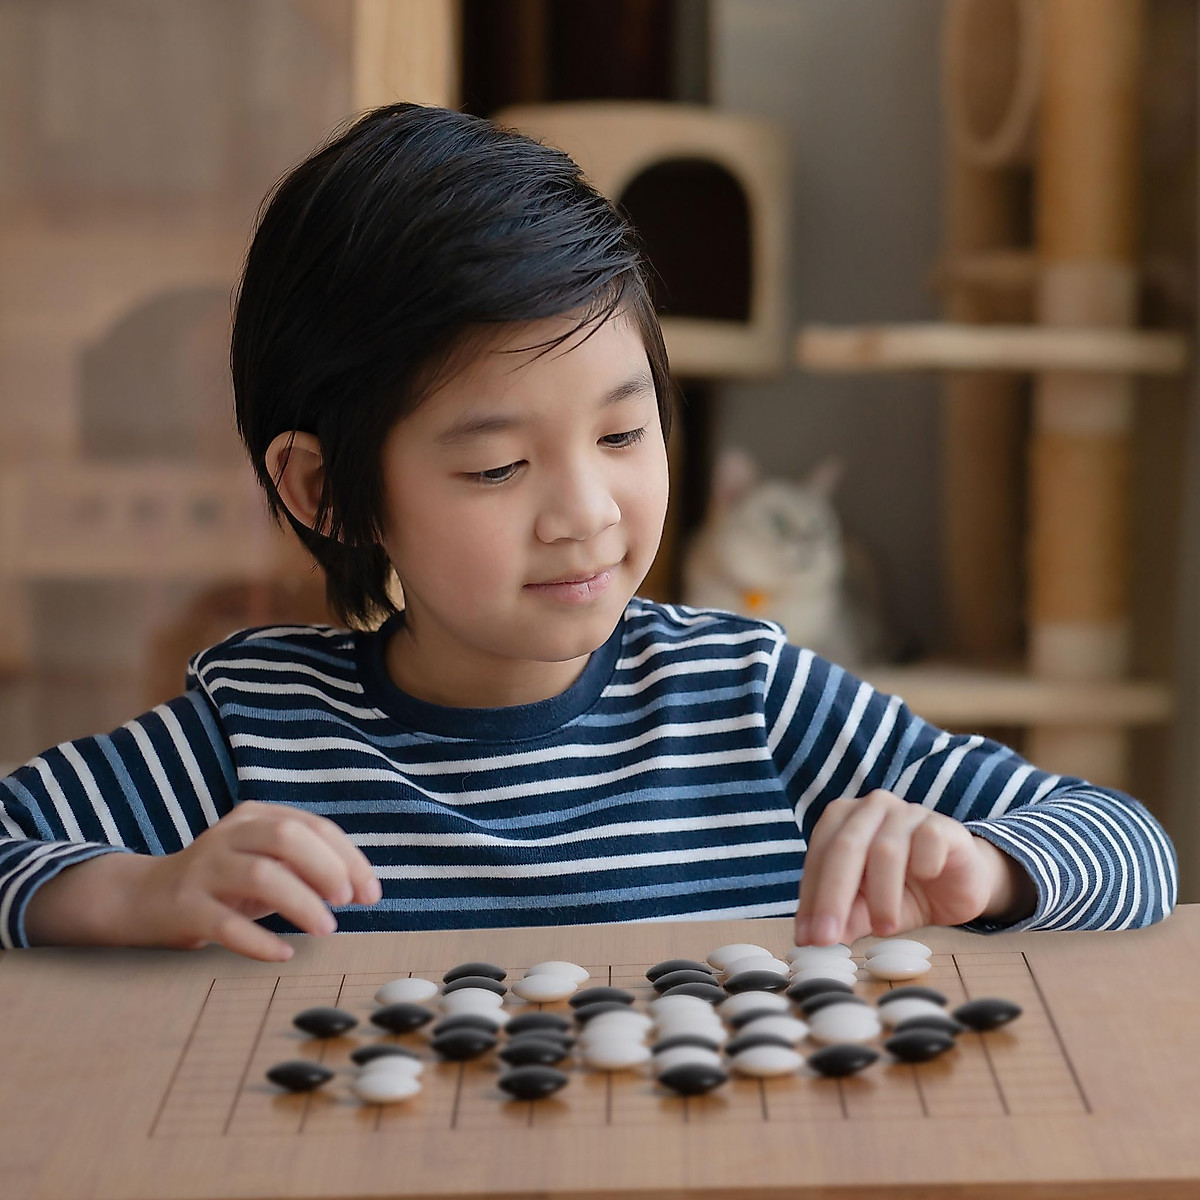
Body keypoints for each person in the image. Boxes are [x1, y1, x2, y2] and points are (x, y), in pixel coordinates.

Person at [0, 104, 1178, 961]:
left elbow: (1130, 847)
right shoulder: (258, 730)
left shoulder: (750, 697)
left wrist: (989, 866)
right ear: (325, 492)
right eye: (497, 465)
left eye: (624, 435)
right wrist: (131, 894)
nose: (589, 513)